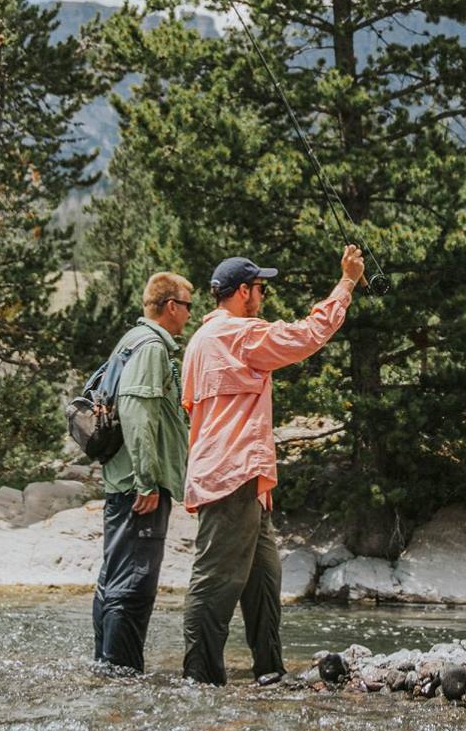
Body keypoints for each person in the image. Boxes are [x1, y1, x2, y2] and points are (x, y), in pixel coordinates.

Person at [179, 245, 363, 685]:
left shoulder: (199, 342)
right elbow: (307, 336)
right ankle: (199, 681)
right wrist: (347, 282)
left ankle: (270, 673)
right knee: (215, 582)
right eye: (261, 288)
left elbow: (190, 407)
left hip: (236, 476)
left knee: (264, 578)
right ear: (244, 291)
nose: (263, 296)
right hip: (232, 474)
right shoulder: (239, 335)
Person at [91, 271, 194, 673]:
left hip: (122, 482)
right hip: (138, 488)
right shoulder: (151, 347)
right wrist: (147, 481)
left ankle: (106, 667)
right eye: (187, 306)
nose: (189, 314)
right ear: (171, 306)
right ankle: (122, 674)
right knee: (134, 584)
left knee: (114, 578)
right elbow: (136, 413)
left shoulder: (131, 341)